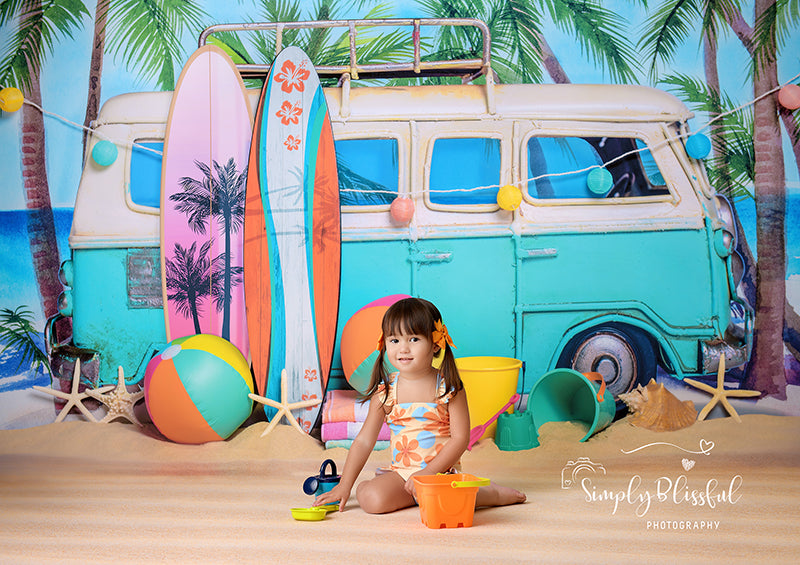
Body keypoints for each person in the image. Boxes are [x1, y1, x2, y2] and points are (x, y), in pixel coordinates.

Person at [314, 297, 526, 514]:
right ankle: (408, 494)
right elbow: (364, 441)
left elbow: (460, 439)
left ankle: (493, 493)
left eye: (414, 339)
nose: (403, 349)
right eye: (394, 340)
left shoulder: (449, 388)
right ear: (384, 344)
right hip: (402, 475)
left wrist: (428, 473)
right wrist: (345, 485)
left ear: (435, 344)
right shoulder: (385, 392)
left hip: (442, 475)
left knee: (452, 506)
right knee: (372, 500)